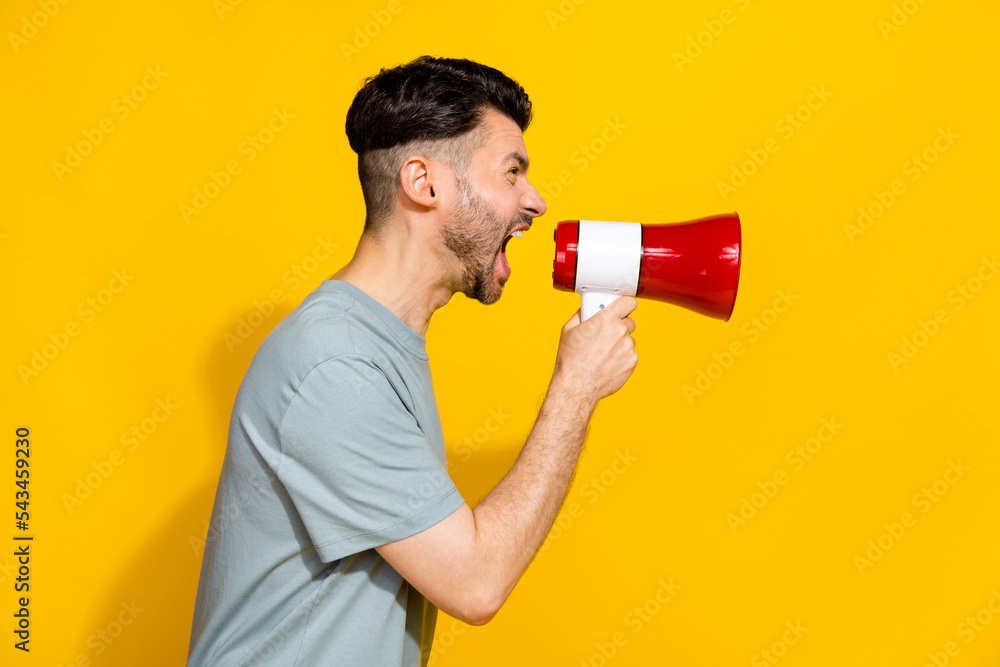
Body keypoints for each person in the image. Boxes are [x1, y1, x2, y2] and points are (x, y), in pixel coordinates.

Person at [186, 55, 638, 666]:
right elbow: (476, 582)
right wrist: (575, 388)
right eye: (511, 172)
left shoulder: (375, 344)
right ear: (424, 183)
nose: (535, 201)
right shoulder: (335, 366)